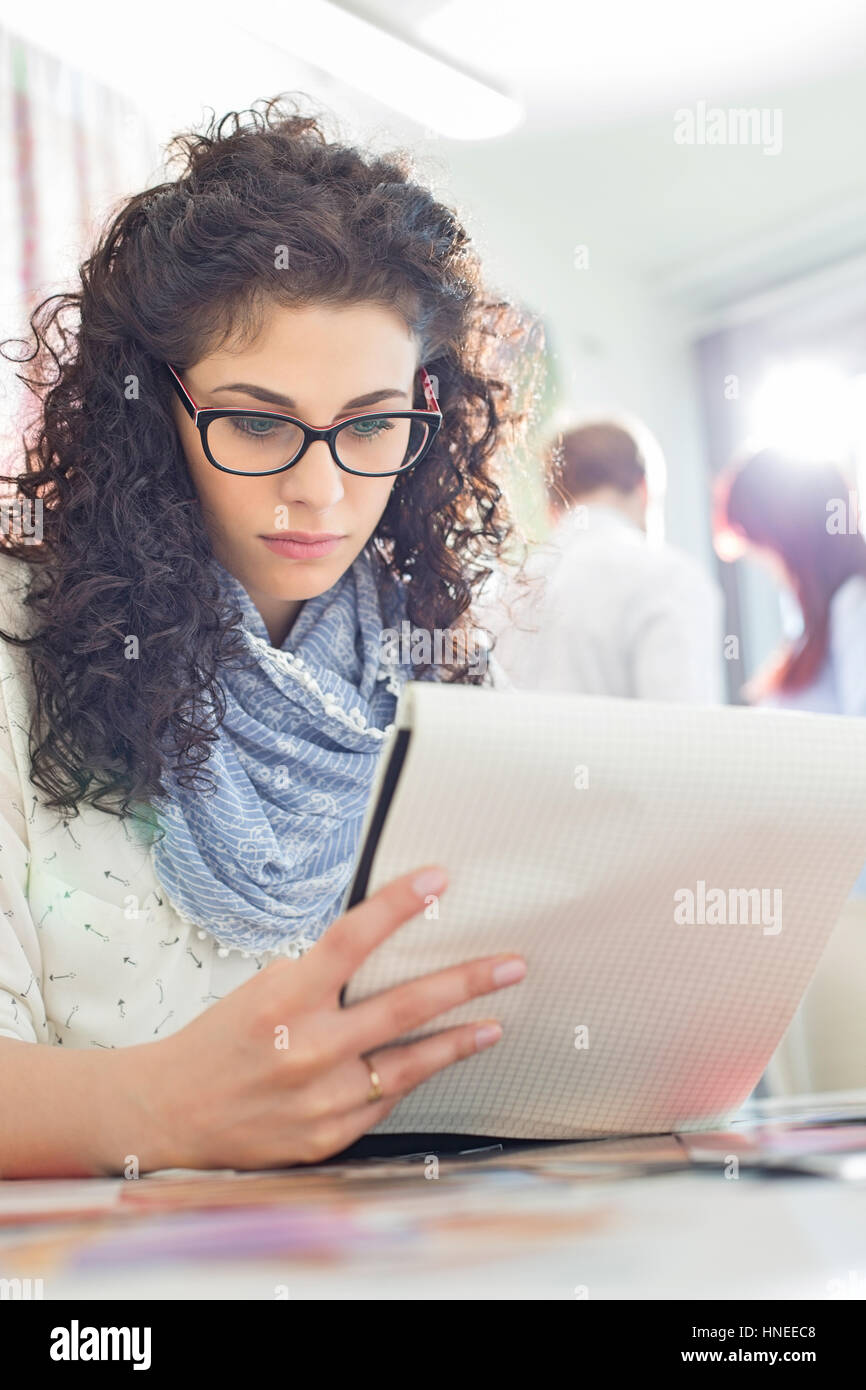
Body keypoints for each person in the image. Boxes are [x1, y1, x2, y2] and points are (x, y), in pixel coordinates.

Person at [0, 99, 532, 1178]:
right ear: (153, 410)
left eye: (372, 424)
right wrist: (144, 1108)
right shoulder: (18, 642)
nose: (320, 493)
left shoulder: (443, 673)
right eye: (256, 422)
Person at [714, 446, 866, 1090]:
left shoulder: (856, 602)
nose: (767, 567)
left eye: (763, 546)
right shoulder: (816, 621)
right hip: (822, 898)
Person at [479, 420, 725, 702]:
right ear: (645, 490)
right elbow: (687, 732)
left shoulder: (501, 594)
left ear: (552, 509)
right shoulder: (672, 579)